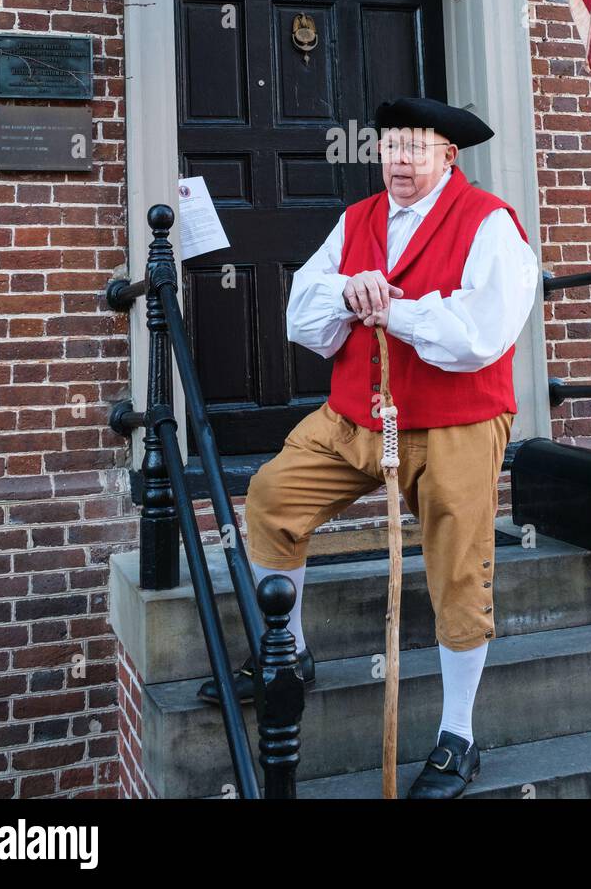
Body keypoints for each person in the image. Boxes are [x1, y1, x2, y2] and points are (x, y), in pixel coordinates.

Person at [199, 95, 540, 799]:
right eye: (388, 146)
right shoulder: (357, 221)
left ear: (449, 156)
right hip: (358, 416)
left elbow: (484, 331)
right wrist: (351, 292)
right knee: (271, 498)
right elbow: (304, 314)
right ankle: (288, 656)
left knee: (458, 570)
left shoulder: (490, 224)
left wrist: (396, 310)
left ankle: (457, 736)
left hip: (456, 423)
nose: (398, 160)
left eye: (415, 147)